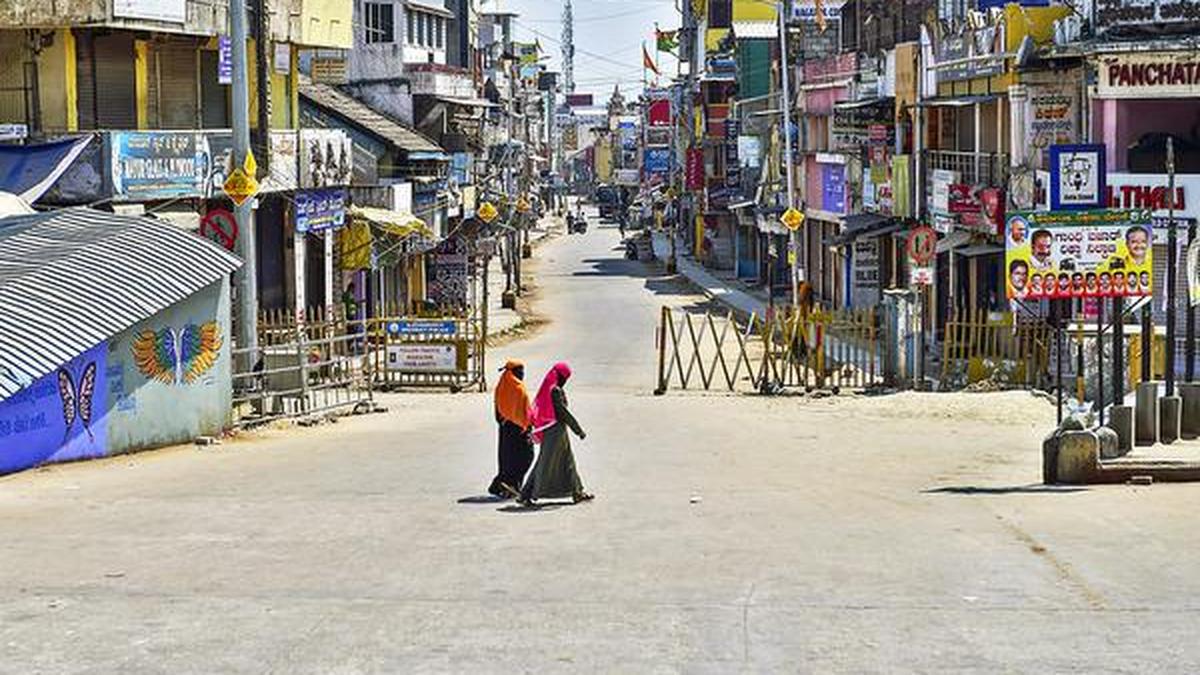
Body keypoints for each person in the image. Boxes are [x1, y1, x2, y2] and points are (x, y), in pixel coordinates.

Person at [519, 362, 593, 506]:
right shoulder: (555, 391)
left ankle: (577, 492)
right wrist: (578, 430)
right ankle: (526, 494)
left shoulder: (551, 389)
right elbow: (563, 413)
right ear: (561, 377)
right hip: (555, 433)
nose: (566, 381)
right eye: (565, 378)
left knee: (568, 461)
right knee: (544, 462)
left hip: (556, 432)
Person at [489, 360, 534, 499]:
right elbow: (525, 411)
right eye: (520, 371)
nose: (522, 374)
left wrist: (503, 423)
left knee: (507, 459)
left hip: (505, 428)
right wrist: (528, 427)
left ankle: (503, 485)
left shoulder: (501, 387)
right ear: (513, 372)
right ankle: (511, 485)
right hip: (520, 429)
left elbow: (497, 410)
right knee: (526, 457)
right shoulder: (519, 388)